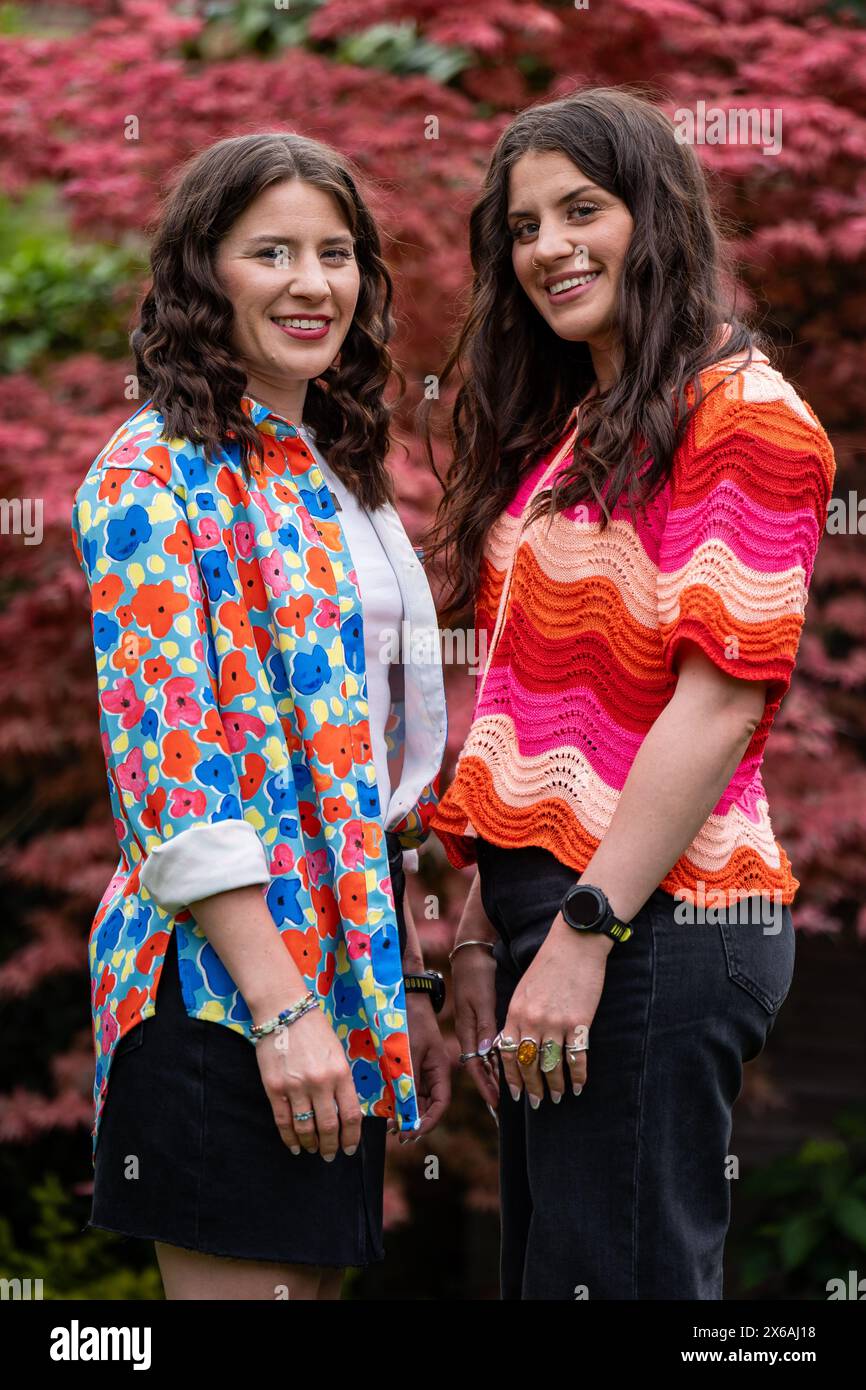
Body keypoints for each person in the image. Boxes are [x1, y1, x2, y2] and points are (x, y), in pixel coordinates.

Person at [422, 87, 836, 1300]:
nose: (548, 247)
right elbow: (531, 704)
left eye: (581, 210)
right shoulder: (585, 426)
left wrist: (583, 933)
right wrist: (482, 921)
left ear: (655, 214)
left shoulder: (744, 416)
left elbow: (714, 707)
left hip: (660, 916)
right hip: (568, 913)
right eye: (522, 226)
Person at [70, 130, 450, 1300]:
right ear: (204, 274)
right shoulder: (151, 473)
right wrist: (281, 1008)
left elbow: (370, 760)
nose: (311, 282)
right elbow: (166, 769)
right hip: (217, 988)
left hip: (343, 980)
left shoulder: (333, 470)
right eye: (270, 251)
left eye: (335, 253)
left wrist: (410, 977)